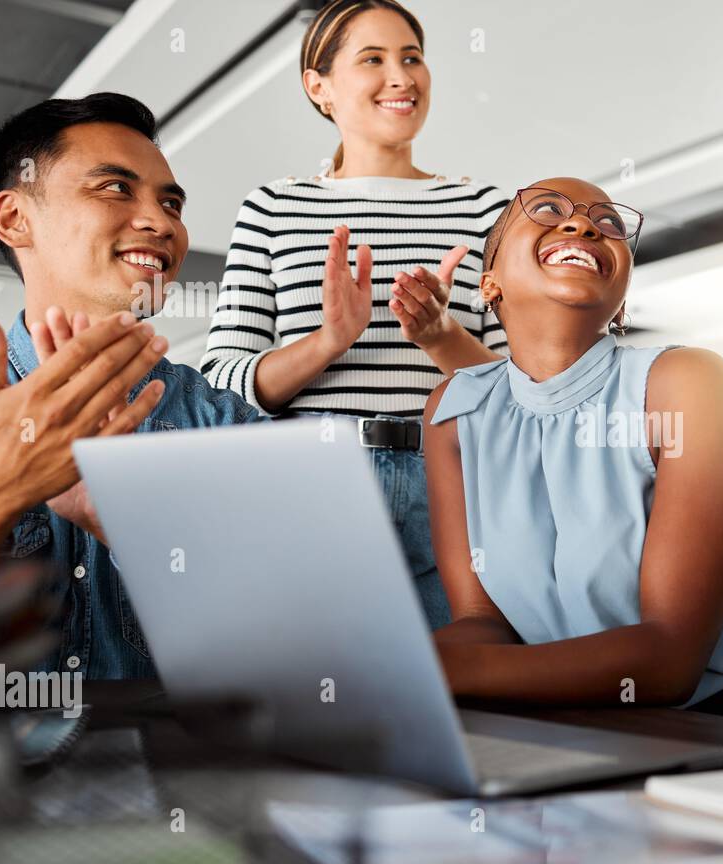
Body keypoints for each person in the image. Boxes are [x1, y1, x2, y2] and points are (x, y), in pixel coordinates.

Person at [422, 178, 723, 732]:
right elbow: (480, 623)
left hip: (721, 727)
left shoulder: (685, 382)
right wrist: (386, 663)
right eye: (546, 210)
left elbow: (667, 663)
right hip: (564, 727)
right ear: (490, 285)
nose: (585, 225)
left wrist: (432, 673)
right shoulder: (455, 410)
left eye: (608, 223)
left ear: (622, 297)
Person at [200, 0, 509, 628]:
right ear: (319, 87)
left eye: (413, 58)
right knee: (312, 689)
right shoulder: (272, 208)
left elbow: (524, 388)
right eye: (373, 59)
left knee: (463, 692)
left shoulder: (486, 208)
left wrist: (441, 337)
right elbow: (220, 383)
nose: (402, 77)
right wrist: (328, 340)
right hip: (309, 475)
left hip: (453, 480)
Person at [0, 92, 262, 678]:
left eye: (172, 204)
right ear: (14, 219)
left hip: (186, 765)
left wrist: (133, 526)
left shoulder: (228, 427)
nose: (161, 223)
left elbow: (297, 654)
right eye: (114, 188)